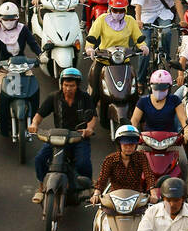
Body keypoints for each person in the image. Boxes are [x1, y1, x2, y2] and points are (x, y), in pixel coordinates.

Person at [29, 68, 97, 204]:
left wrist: (89, 129)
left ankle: (87, 185)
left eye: (72, 85)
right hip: (57, 138)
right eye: (66, 85)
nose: (68, 88)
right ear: (61, 84)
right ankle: (41, 186)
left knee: (83, 163)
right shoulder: (54, 97)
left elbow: (93, 117)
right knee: (39, 159)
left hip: (79, 137)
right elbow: (39, 115)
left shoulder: (85, 98)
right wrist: (34, 124)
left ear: (77, 85)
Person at [91, 124, 156, 206]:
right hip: (115, 199)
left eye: (131, 145)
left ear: (136, 145)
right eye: (125, 145)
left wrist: (153, 193)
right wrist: (96, 194)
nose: (128, 148)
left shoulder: (141, 157)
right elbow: (102, 180)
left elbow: (149, 175)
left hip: (137, 198)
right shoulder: (110, 159)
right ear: (119, 144)